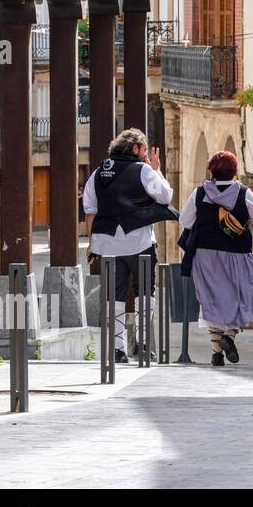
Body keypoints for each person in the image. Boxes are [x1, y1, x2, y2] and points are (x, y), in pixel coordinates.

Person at [83, 129, 175, 363]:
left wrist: (92, 243)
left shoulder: (97, 173)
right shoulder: (143, 170)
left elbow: (90, 211)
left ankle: (117, 348)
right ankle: (143, 346)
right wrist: (156, 169)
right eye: (144, 149)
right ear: (135, 149)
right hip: (139, 242)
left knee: (115, 296)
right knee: (145, 293)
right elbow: (165, 197)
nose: (145, 154)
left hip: (107, 244)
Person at [178, 151, 253, 367]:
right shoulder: (243, 193)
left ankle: (216, 354)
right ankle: (228, 337)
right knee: (240, 297)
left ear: (212, 170)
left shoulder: (199, 193)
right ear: (234, 171)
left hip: (205, 255)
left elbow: (185, 220)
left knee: (213, 301)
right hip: (237, 254)